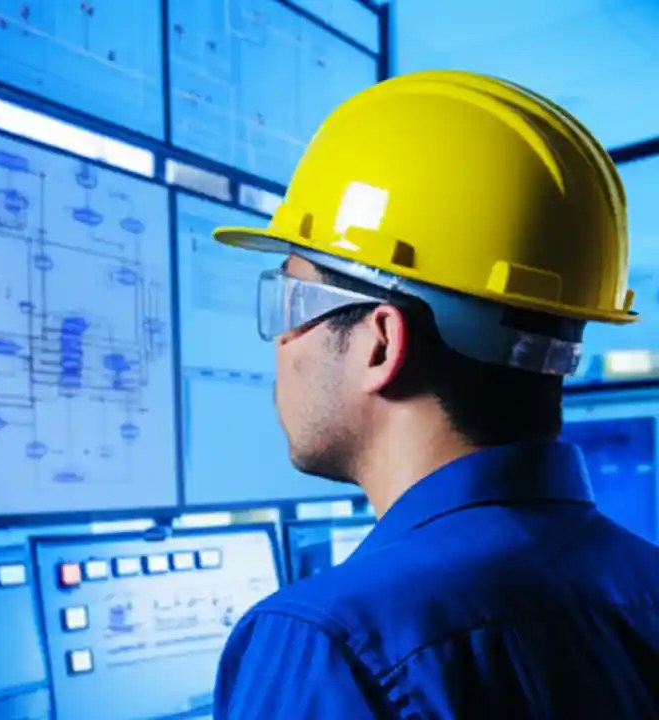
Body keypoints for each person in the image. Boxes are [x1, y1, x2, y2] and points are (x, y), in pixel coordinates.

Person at [211, 70, 659, 718]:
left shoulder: (329, 642)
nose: (280, 341)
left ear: (381, 344)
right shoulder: (646, 590)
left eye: (291, 302)